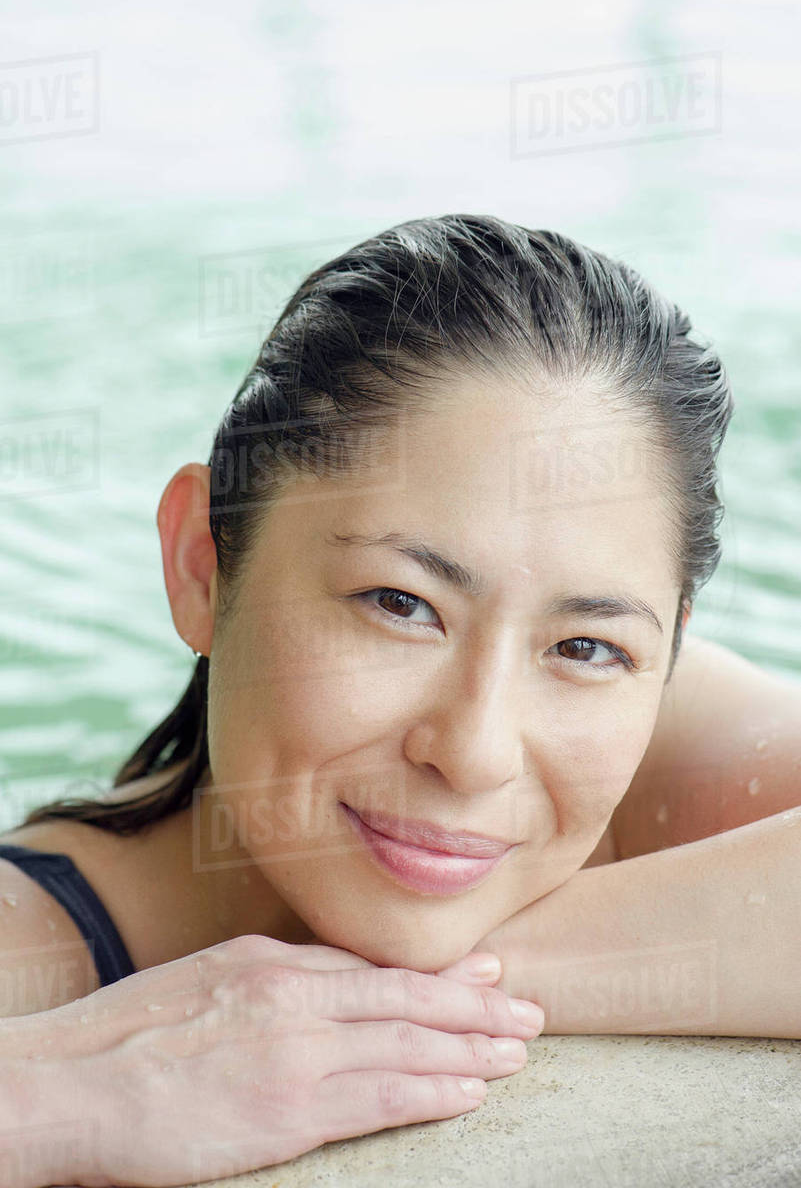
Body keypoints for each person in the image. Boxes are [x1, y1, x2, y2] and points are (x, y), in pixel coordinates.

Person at [1, 214, 799, 1186]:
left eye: (584, 644)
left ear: (665, 649)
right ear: (202, 564)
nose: (475, 751)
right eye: (400, 604)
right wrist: (64, 1097)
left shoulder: (629, 714)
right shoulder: (30, 942)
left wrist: (433, 986)